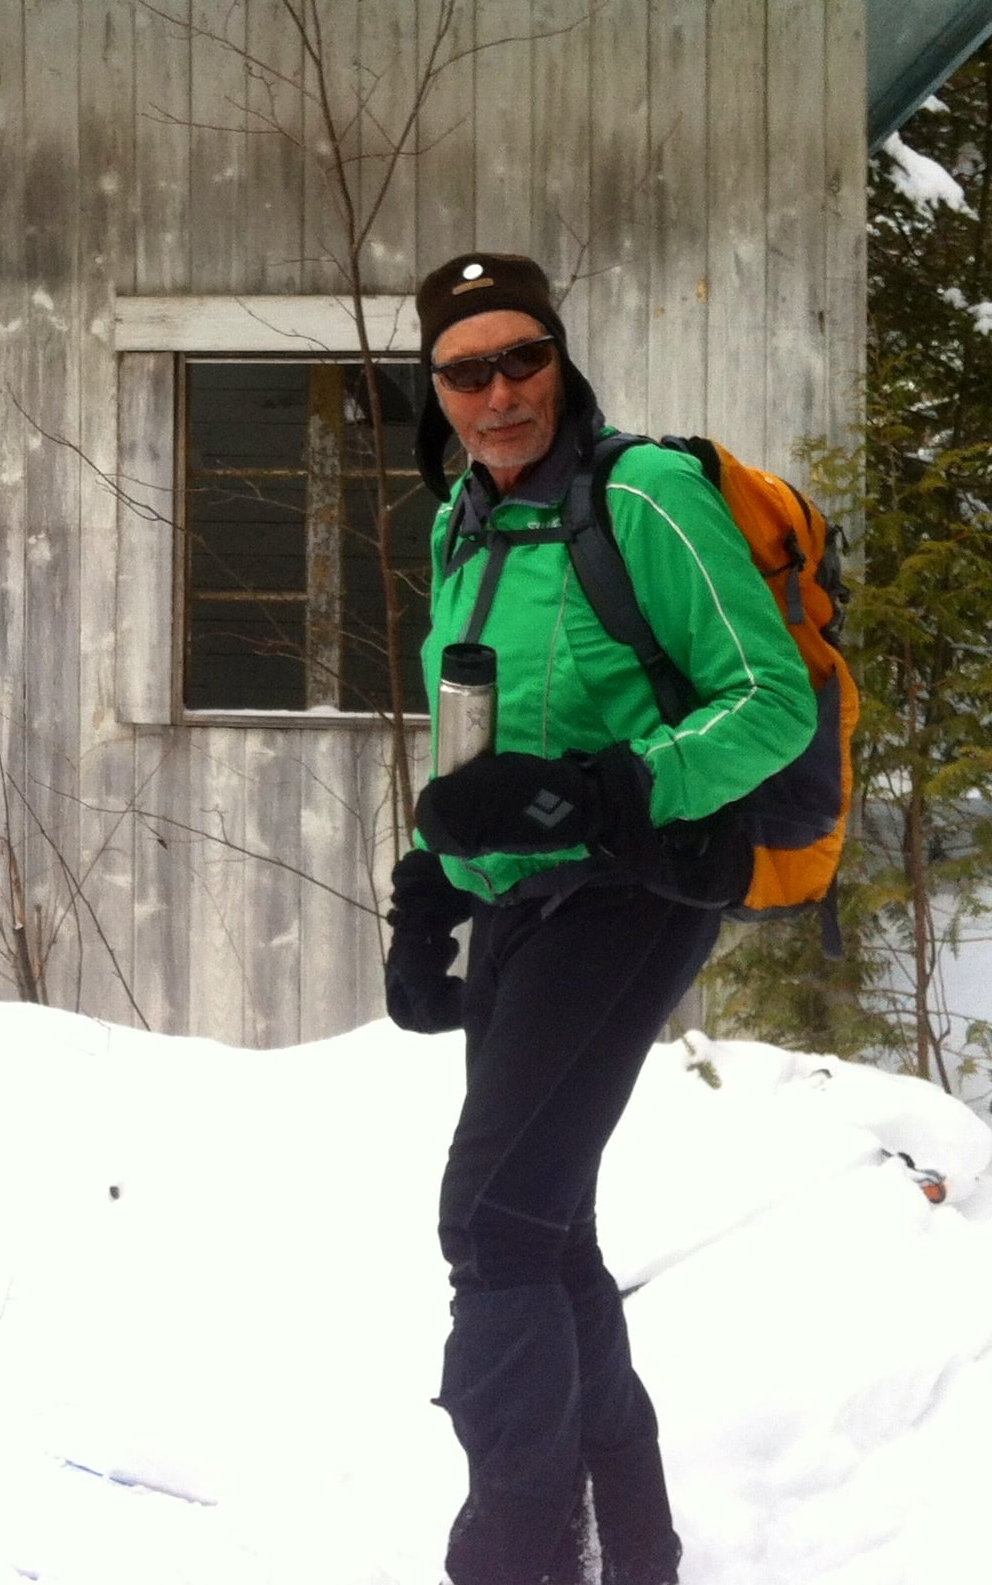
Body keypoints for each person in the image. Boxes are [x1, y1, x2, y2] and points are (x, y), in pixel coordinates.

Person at [384, 256, 817, 1585]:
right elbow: (478, 753)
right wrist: (423, 893)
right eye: (469, 370)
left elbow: (771, 702)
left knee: (492, 1223)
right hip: (521, 906)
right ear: (439, 390)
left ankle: (515, 1558)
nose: (501, 390)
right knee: (545, 1225)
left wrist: (610, 786)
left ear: (561, 364)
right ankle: (633, 1555)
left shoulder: (644, 496)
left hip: (633, 892)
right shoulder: (463, 526)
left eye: (525, 360)